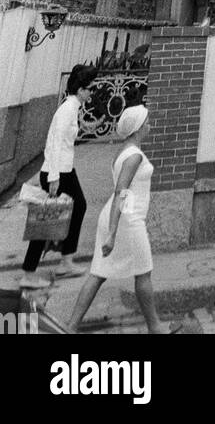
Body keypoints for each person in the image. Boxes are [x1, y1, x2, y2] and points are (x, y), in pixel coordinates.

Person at [67, 106, 178, 334]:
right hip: (128, 219)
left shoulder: (124, 151)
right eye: (146, 122)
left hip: (118, 216)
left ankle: (70, 327)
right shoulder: (134, 156)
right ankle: (155, 327)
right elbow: (121, 192)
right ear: (137, 127)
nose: (150, 125)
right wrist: (113, 232)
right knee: (143, 272)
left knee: (98, 273)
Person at [21, 65, 97, 290]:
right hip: (58, 172)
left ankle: (66, 259)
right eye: (90, 89)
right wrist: (53, 177)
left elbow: (66, 138)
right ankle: (30, 272)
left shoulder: (73, 108)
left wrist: (87, 125)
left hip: (65, 169)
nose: (91, 93)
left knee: (76, 207)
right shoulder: (67, 110)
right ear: (81, 90)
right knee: (46, 220)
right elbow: (53, 143)